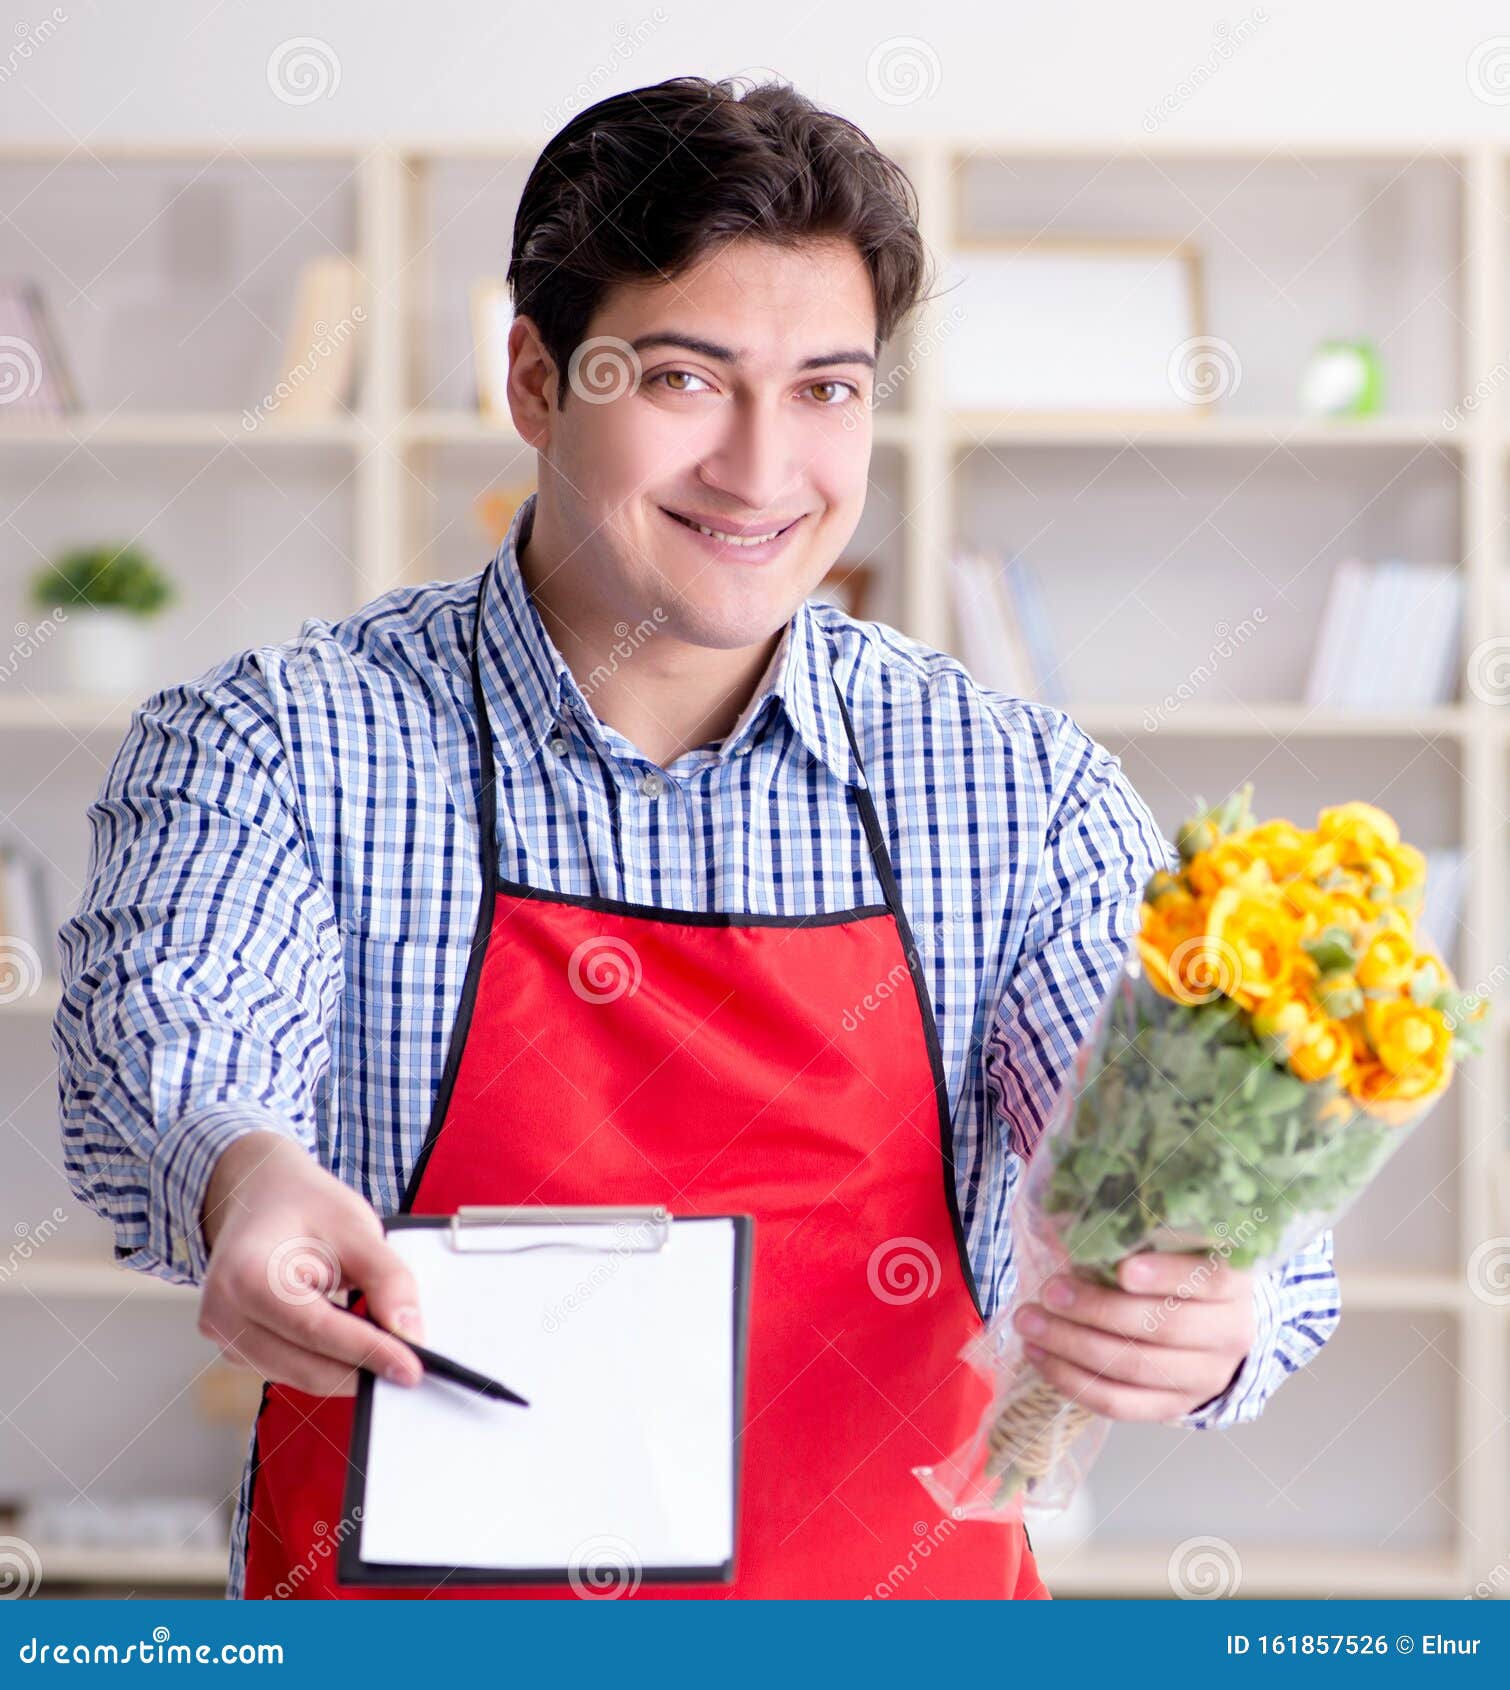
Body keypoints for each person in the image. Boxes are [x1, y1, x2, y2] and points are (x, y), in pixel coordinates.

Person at [54, 75, 1337, 1602]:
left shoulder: (1013, 788)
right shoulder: (282, 744)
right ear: (534, 379)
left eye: (826, 389)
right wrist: (241, 1174)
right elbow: (174, 1046)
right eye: (682, 378)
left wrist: (1218, 1302)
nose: (761, 468)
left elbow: (1190, 1173)